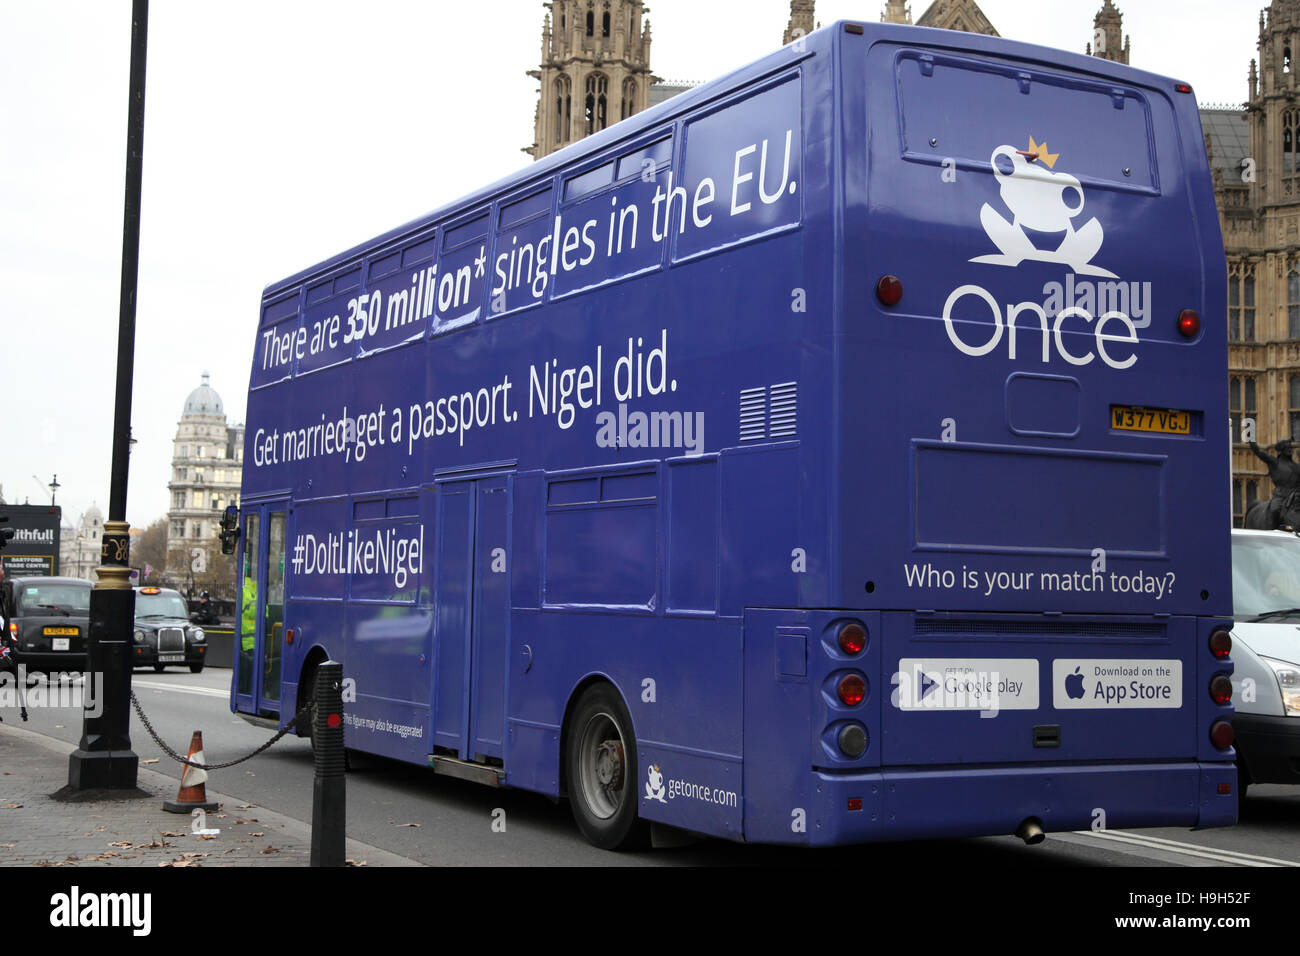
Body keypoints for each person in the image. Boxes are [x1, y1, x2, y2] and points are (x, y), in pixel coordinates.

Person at [1251, 440, 1300, 528]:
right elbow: (1258, 451)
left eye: (1290, 447)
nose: (1289, 449)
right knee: (1275, 510)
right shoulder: (1275, 463)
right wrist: (1250, 437)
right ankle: (1272, 531)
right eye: (1286, 447)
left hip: (1295, 498)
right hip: (1280, 497)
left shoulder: (1297, 467)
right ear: (1281, 450)